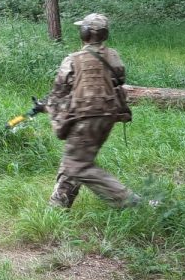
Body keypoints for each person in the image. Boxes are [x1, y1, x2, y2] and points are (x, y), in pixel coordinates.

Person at [41, 12, 139, 209]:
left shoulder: (73, 60)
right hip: (108, 117)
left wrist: (45, 105)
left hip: (86, 118)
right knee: (75, 158)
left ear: (84, 33)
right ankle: (58, 205)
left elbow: (59, 92)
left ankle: (129, 201)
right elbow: (118, 81)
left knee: (79, 165)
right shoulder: (114, 56)